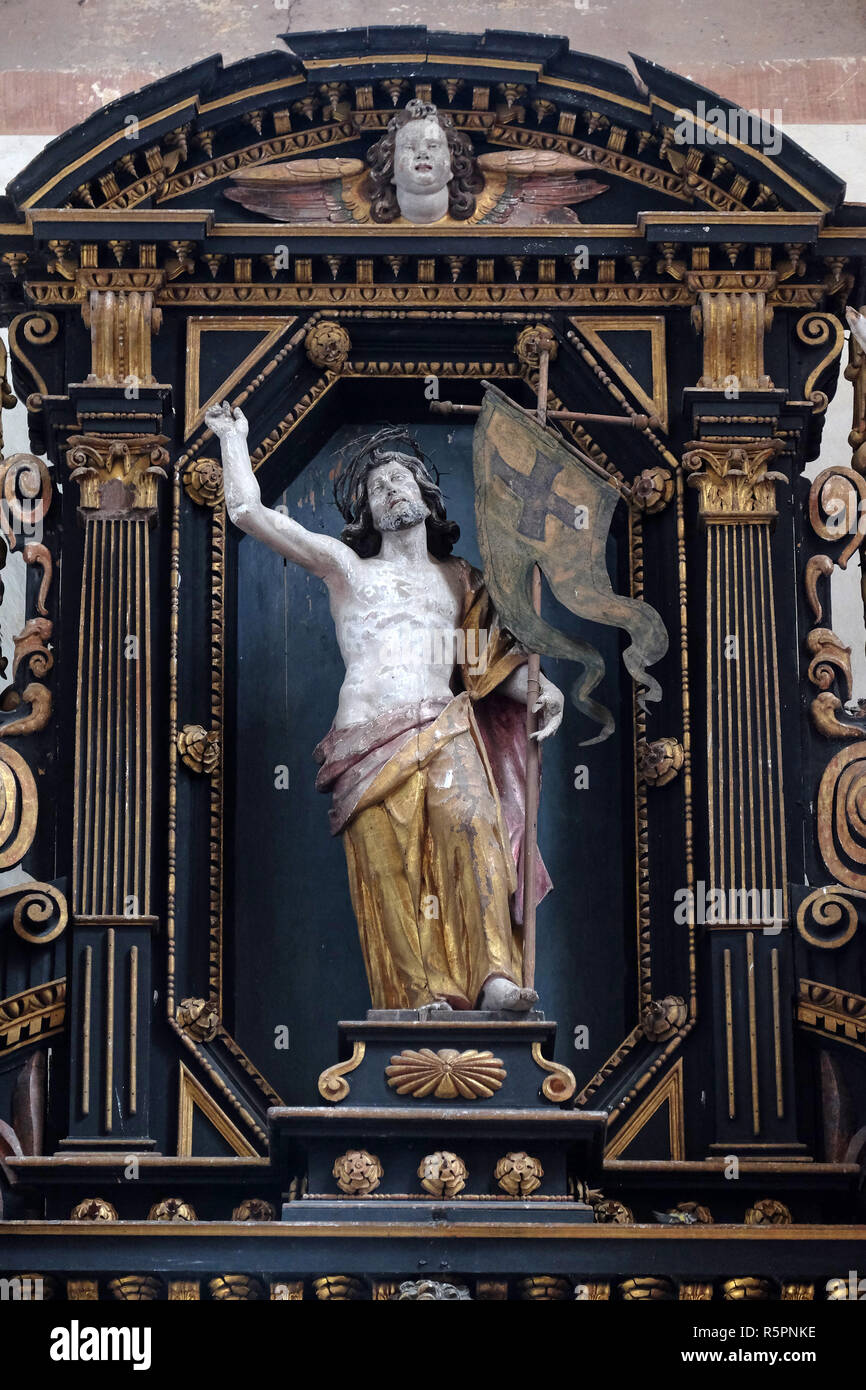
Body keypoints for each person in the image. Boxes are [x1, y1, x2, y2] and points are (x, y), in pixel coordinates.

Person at [206, 403, 563, 1012]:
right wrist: (234, 439)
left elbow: (482, 664)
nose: (390, 487)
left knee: (475, 838)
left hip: (445, 726)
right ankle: (412, 997)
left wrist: (539, 688)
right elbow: (247, 512)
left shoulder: (459, 580)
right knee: (389, 871)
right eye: (377, 486)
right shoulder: (348, 570)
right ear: (368, 512)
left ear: (425, 496)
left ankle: (494, 980)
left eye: (400, 477)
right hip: (368, 741)